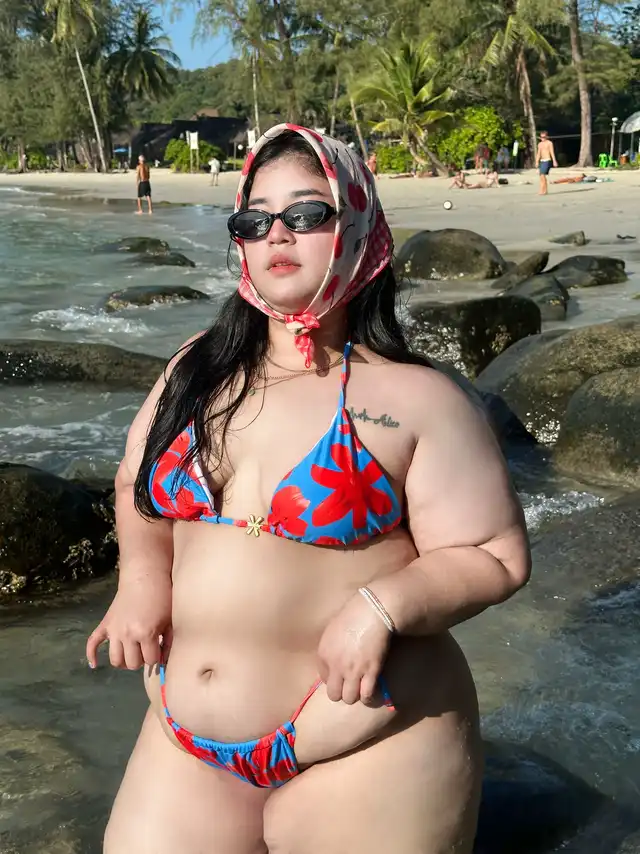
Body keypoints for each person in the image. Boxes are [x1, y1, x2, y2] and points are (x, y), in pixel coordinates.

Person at [92, 124, 531, 854]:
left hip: (369, 736)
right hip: (184, 739)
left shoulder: (415, 398)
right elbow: (135, 485)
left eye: (306, 213)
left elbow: (495, 554)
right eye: (254, 219)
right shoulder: (195, 371)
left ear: (356, 223)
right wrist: (140, 583)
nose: (277, 233)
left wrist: (380, 607)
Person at [536, 131, 558, 196]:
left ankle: (542, 190)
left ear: (547, 137)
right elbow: (538, 153)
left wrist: (554, 161)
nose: (542, 138)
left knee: (542, 175)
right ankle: (544, 190)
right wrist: (537, 161)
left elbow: (552, 152)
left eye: (544, 137)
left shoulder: (549, 143)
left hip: (547, 160)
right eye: (541, 137)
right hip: (542, 161)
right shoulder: (539, 144)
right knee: (541, 176)